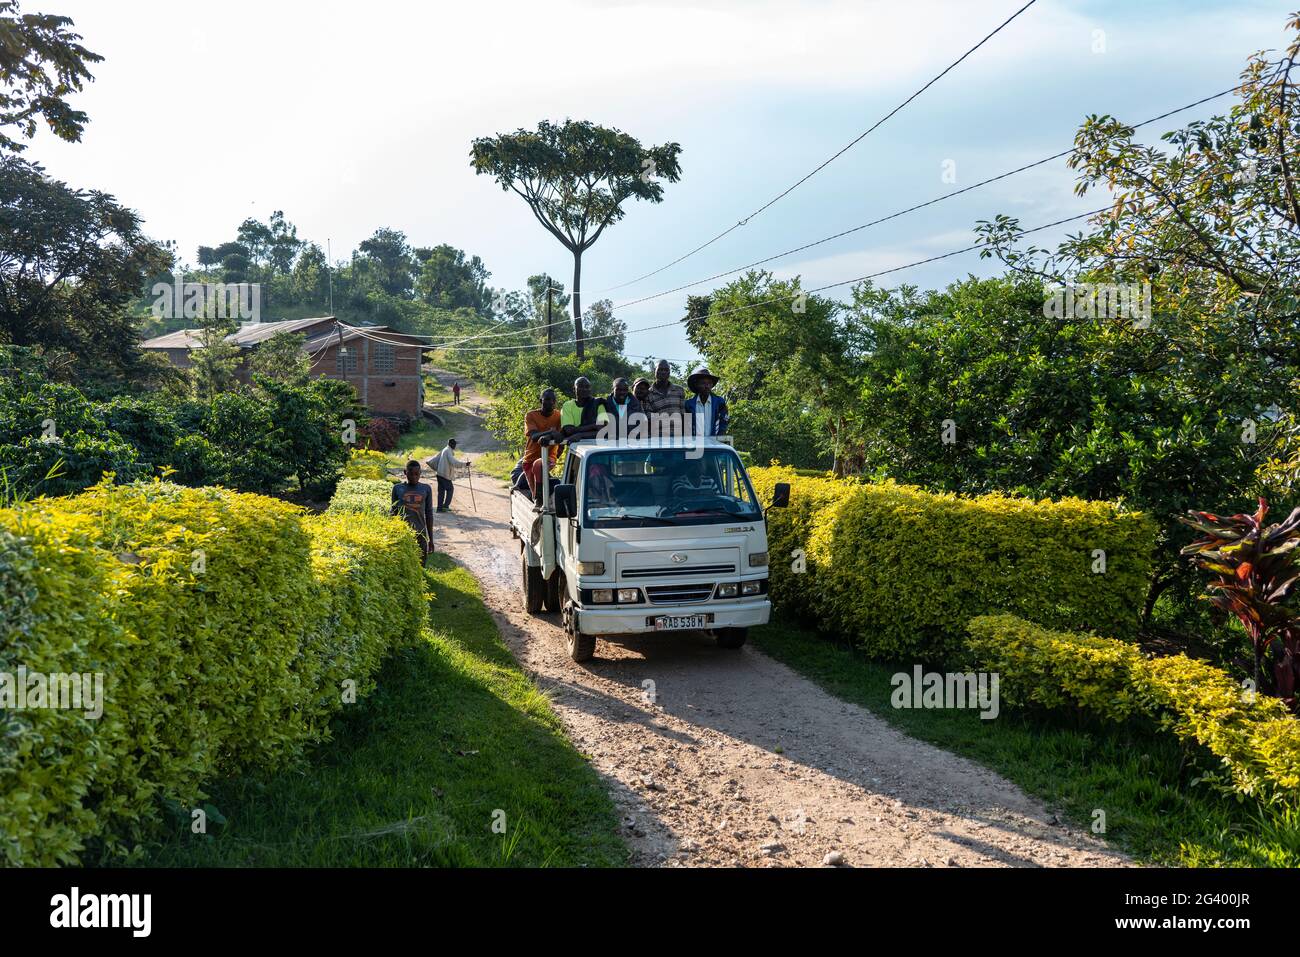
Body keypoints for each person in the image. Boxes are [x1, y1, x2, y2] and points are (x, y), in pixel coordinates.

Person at [391, 460, 435, 565]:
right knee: (404, 565)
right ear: (405, 472)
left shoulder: (426, 489)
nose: (414, 477)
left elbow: (429, 515)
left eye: (417, 474)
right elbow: (393, 512)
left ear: (420, 473)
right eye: (411, 474)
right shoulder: (397, 489)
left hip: (421, 534)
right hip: (403, 533)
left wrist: (431, 540)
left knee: (421, 564)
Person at [524, 388, 562, 500]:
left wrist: (556, 455)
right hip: (529, 460)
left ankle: (540, 501)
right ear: (541, 401)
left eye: (553, 400)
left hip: (549, 457)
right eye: (547, 399)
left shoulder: (559, 416)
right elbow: (534, 436)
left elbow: (560, 436)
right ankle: (539, 502)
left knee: (539, 464)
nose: (550, 402)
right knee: (535, 492)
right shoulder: (531, 415)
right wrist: (550, 432)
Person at [560, 376, 610, 442]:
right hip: (573, 447)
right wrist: (593, 426)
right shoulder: (567, 405)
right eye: (580, 386)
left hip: (596, 447)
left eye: (587, 387)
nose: (584, 389)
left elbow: (602, 431)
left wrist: (580, 435)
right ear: (574, 389)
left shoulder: (598, 404)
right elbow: (569, 430)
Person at [684, 367, 730, 437]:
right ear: (697, 385)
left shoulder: (719, 402)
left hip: (714, 444)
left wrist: (720, 438)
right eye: (703, 383)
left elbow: (724, 421)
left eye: (709, 383)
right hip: (695, 444)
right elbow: (687, 428)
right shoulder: (689, 405)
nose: (707, 386)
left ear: (712, 385)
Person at [428, 437, 469, 512]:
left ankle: (439, 508)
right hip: (444, 475)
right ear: (450, 444)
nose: (455, 446)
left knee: (441, 492)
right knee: (450, 489)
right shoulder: (448, 451)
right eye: (454, 444)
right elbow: (453, 462)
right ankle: (445, 506)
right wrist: (465, 464)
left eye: (455, 444)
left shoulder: (446, 449)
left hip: (440, 474)